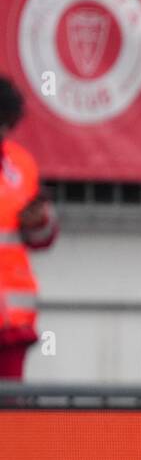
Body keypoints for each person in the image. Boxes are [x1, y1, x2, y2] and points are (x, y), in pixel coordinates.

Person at [0, 75, 58, 381]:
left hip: (13, 323)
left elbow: (42, 239)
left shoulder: (21, 164)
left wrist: (38, 221)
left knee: (9, 418)